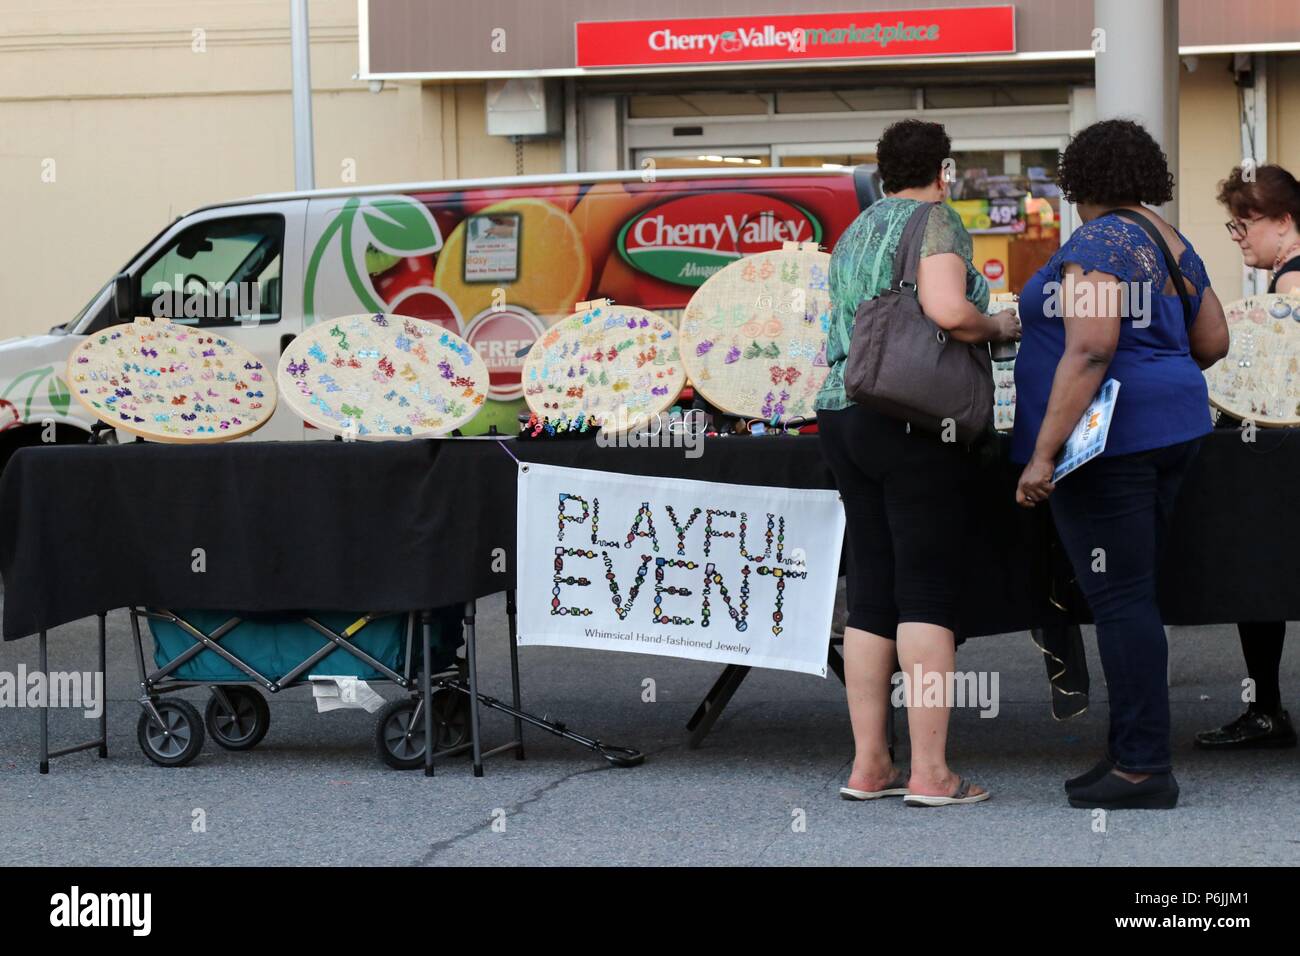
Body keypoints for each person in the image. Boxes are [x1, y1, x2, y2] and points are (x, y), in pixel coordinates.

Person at [1013, 119, 1230, 810]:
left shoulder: (1097, 243)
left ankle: (1141, 767)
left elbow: (1091, 348)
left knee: (1121, 601)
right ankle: (1129, 747)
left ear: (1078, 179)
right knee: (1132, 595)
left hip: (1112, 442)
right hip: (1174, 428)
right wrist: (1161, 366)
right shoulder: (1170, 240)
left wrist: (1043, 454)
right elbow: (1215, 339)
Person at [816, 119, 1019, 808]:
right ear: (945, 169)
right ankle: (932, 773)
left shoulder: (855, 230)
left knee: (872, 588)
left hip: (842, 413)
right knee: (927, 590)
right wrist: (999, 326)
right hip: (911, 417)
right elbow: (947, 309)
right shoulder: (936, 222)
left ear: (881, 169)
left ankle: (869, 765)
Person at [1194, 164, 1300, 750]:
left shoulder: (1292, 288)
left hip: (1284, 457)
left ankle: (1266, 708)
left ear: (1284, 221)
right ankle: (1266, 707)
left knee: (1265, 577)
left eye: (1244, 225)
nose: (1240, 237)